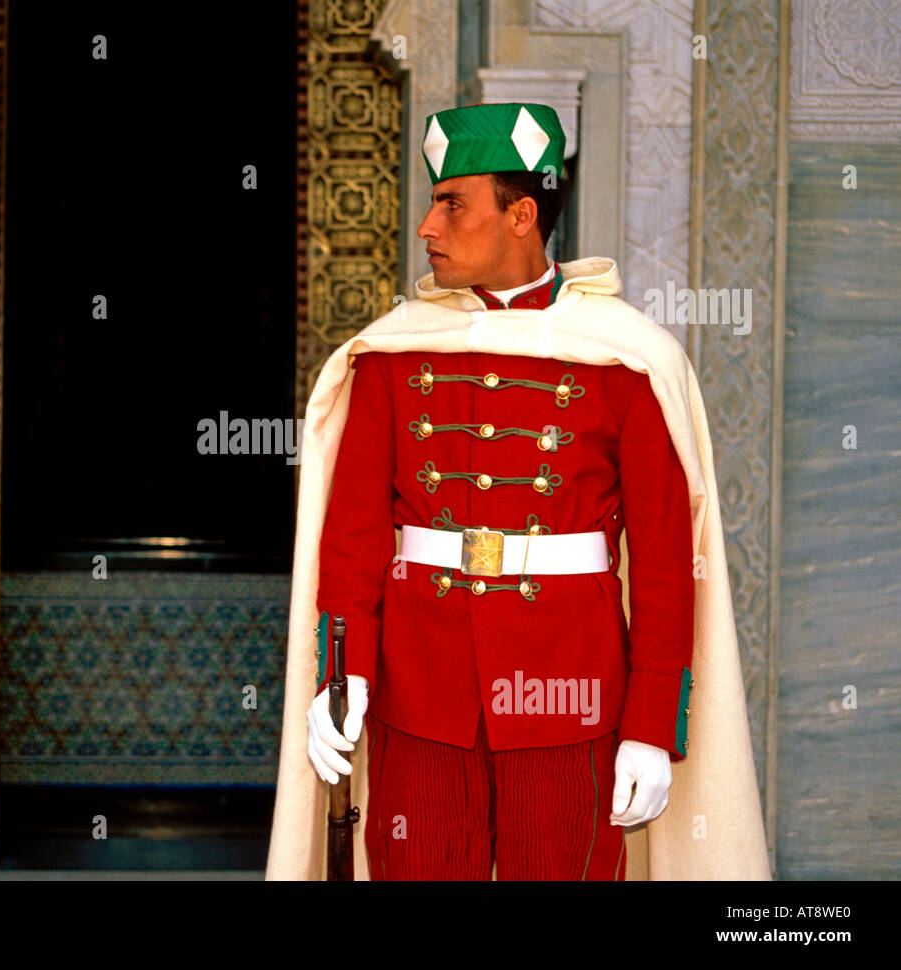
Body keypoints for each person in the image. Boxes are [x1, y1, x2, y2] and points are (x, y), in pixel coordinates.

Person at [265, 102, 769, 881]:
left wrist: (649, 726)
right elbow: (354, 536)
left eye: (452, 203)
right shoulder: (392, 355)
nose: (428, 227)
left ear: (521, 214)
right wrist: (344, 674)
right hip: (420, 697)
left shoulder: (627, 360)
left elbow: (670, 564)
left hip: (571, 701)